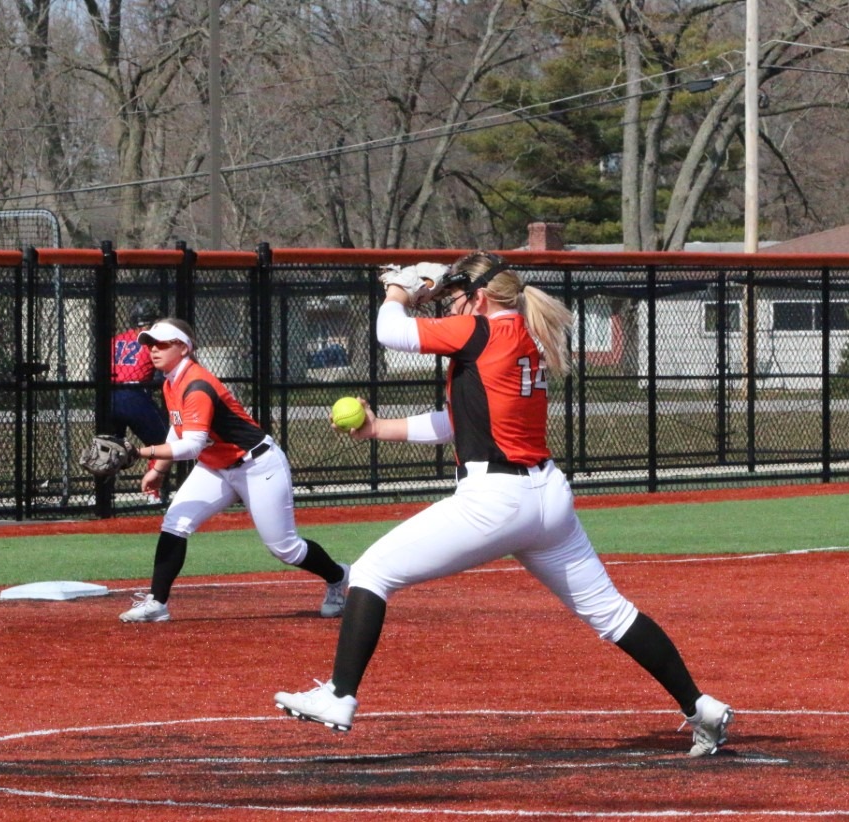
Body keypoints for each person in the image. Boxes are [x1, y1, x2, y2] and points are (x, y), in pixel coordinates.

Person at [274, 252, 733, 757]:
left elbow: (391, 333)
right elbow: (459, 422)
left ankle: (339, 695)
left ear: (483, 296)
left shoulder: (482, 331)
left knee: (370, 574)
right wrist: (380, 429)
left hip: (496, 499)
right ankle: (700, 707)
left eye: (454, 296)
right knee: (612, 615)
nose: (447, 305)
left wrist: (398, 292)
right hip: (545, 498)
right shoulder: (522, 338)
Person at [118, 317, 349, 623]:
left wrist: (139, 452)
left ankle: (338, 577)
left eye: (161, 343)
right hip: (216, 467)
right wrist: (159, 469)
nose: (152, 350)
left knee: (286, 549)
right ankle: (157, 603)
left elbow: (192, 445)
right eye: (149, 344)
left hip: (257, 465)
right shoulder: (170, 381)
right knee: (175, 523)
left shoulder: (197, 385)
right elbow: (179, 428)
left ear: (183, 348)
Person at [111, 302, 170, 497]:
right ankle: (153, 494)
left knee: (110, 448)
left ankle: (104, 495)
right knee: (161, 444)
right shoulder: (151, 341)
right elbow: (161, 373)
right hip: (134, 395)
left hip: (109, 395)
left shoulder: (115, 340)